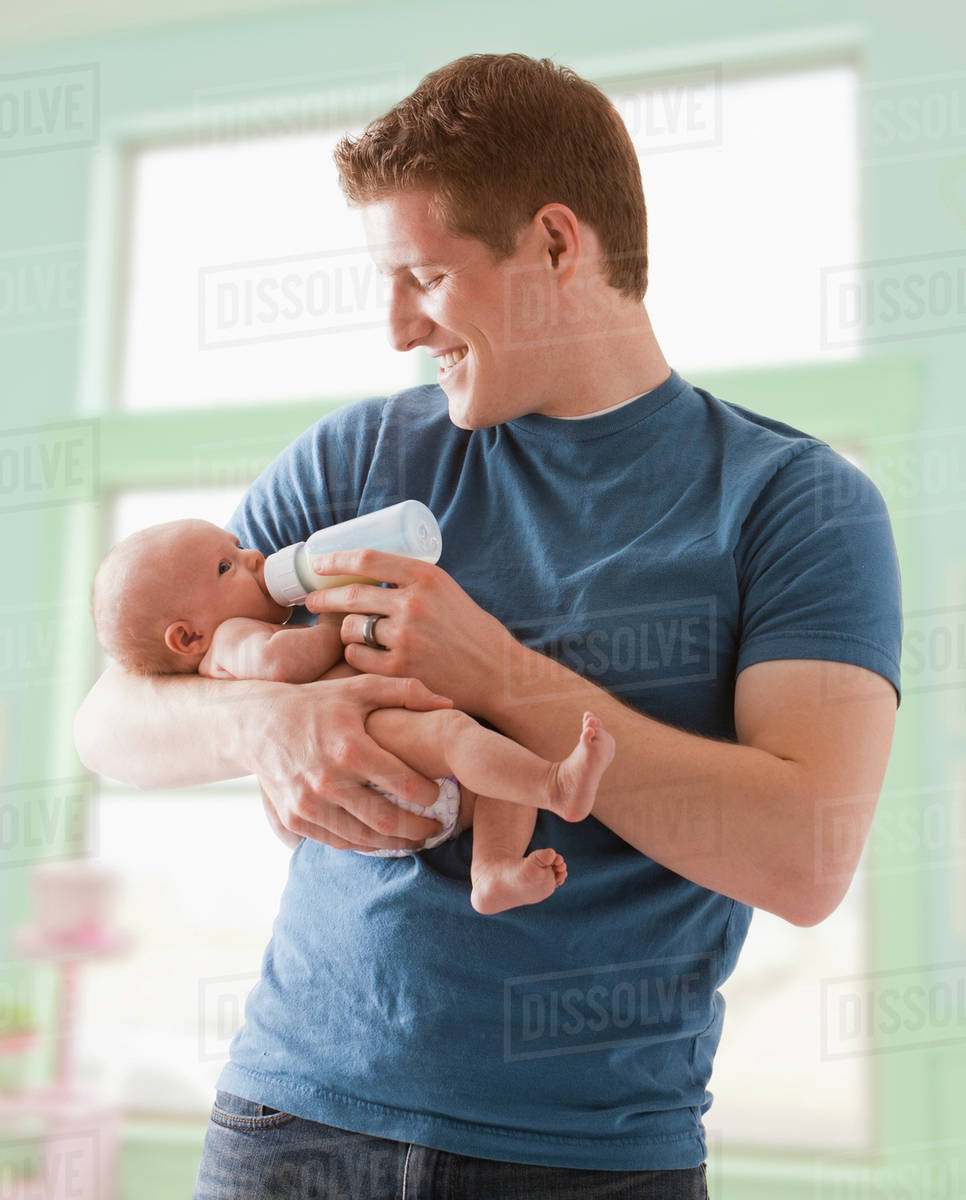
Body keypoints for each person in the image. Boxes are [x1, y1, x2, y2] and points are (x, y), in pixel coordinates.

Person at [74, 53, 902, 1200]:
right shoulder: (361, 456)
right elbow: (113, 718)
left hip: (588, 1162)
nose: (399, 328)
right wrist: (266, 727)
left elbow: (807, 857)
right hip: (288, 1129)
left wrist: (499, 672)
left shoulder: (794, 505)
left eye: (424, 276)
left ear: (559, 244)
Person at [90, 516, 616, 913]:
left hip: (395, 804)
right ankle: (554, 786)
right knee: (462, 736)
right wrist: (330, 616)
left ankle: (494, 870)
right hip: (375, 755)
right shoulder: (229, 642)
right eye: (226, 567)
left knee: (491, 763)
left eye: (238, 545)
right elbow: (280, 662)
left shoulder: (228, 628)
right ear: (187, 638)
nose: (253, 556)